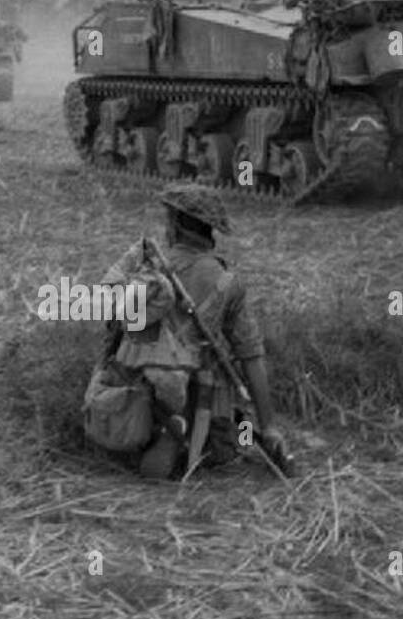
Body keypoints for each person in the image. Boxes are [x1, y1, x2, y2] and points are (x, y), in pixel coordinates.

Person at [88, 184, 289, 480]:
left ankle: (159, 431)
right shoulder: (226, 282)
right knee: (236, 435)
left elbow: (113, 332)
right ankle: (191, 434)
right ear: (210, 231)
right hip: (199, 395)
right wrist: (269, 425)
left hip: (133, 392)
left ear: (175, 226)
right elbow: (251, 354)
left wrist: (100, 380)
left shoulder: (145, 269)